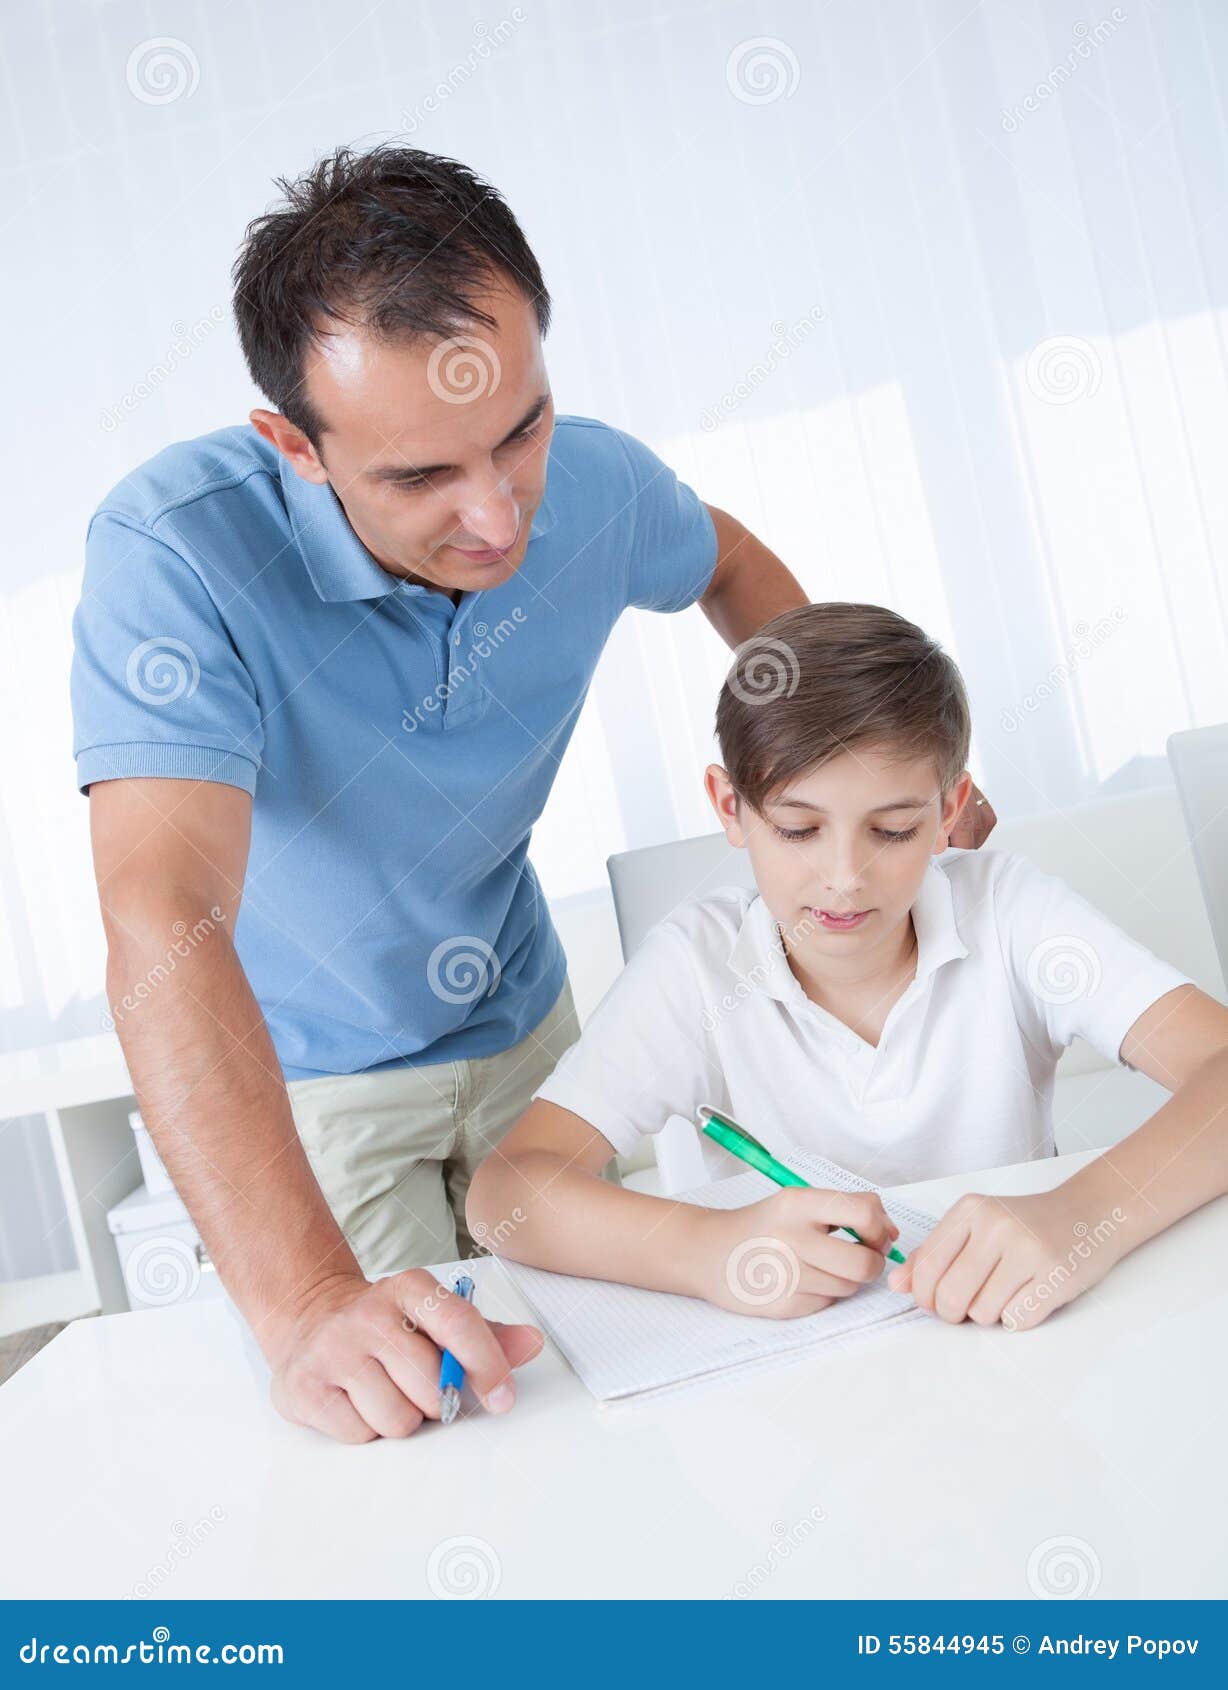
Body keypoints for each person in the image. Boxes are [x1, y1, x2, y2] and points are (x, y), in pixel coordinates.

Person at [68, 142, 998, 1443]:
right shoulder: (176, 551)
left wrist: (863, 777)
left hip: (525, 1027)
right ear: (294, 444)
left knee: (609, 1389)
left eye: (520, 432)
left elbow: (723, 554)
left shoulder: (600, 486)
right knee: (426, 1430)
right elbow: (162, 914)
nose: (500, 518)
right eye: (419, 477)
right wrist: (308, 1301)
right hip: (317, 1086)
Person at [468, 601, 1228, 1333]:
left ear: (948, 809)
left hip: (1005, 1345)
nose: (844, 877)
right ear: (729, 807)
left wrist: (1079, 1212)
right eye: (798, 829)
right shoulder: (695, 966)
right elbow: (507, 1191)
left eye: (893, 830)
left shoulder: (1008, 912)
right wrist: (705, 1246)